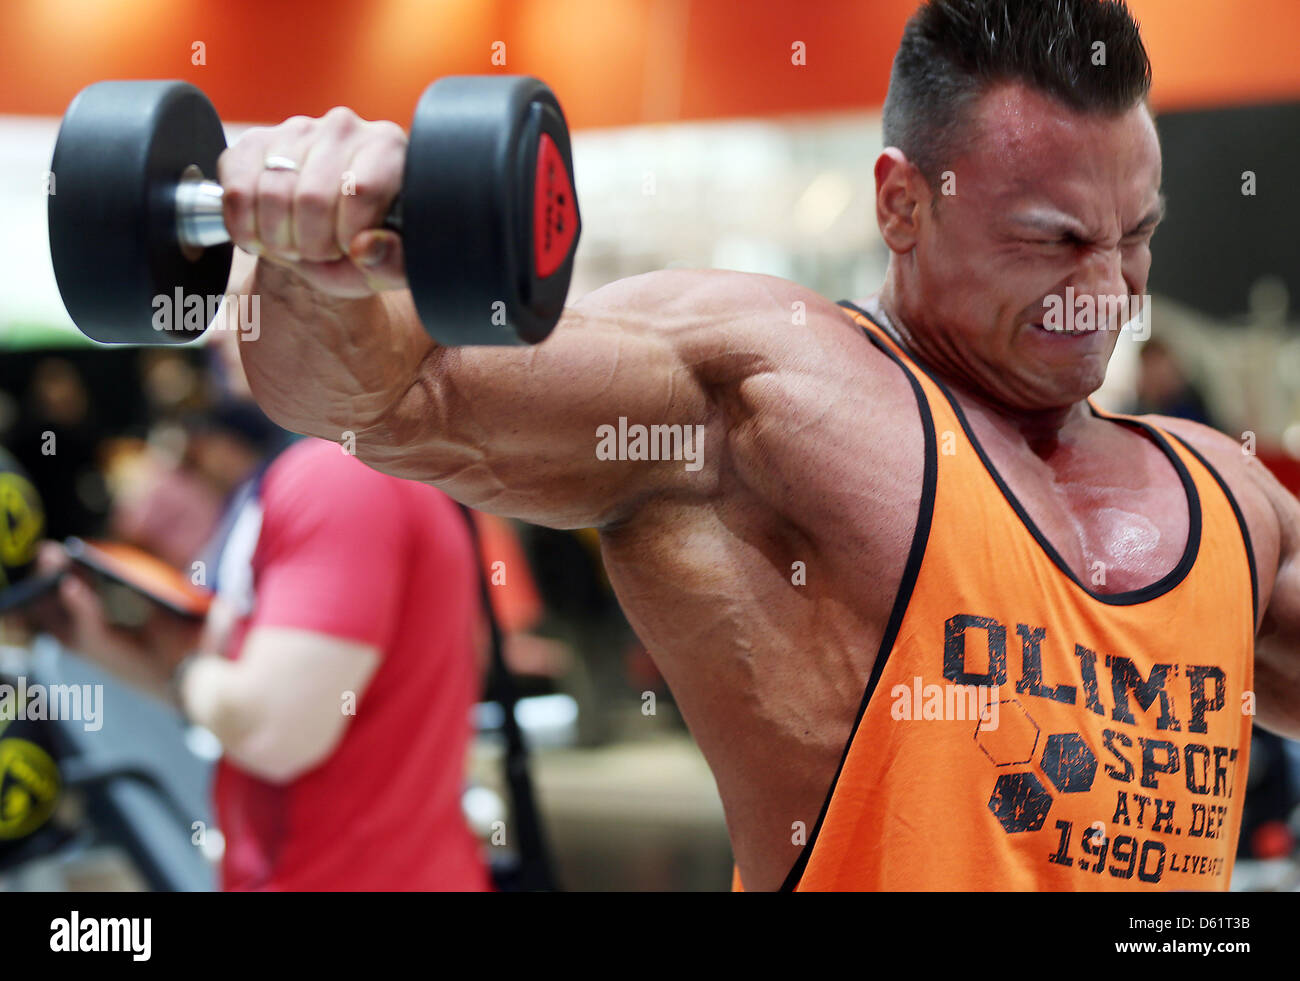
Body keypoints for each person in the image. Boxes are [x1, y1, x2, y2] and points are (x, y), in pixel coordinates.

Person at [215, 0, 1298, 891]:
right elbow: (396, 391)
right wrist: (317, 263)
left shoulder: (1227, 498)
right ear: (901, 203)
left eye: (1136, 236)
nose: (1106, 294)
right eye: (1052, 242)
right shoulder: (769, 391)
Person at [37, 347, 494, 891]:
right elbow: (241, 697)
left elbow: (273, 727)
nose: (225, 324)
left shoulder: (337, 474)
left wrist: (188, 673)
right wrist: (83, 634)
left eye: (253, 281)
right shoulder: (339, 469)